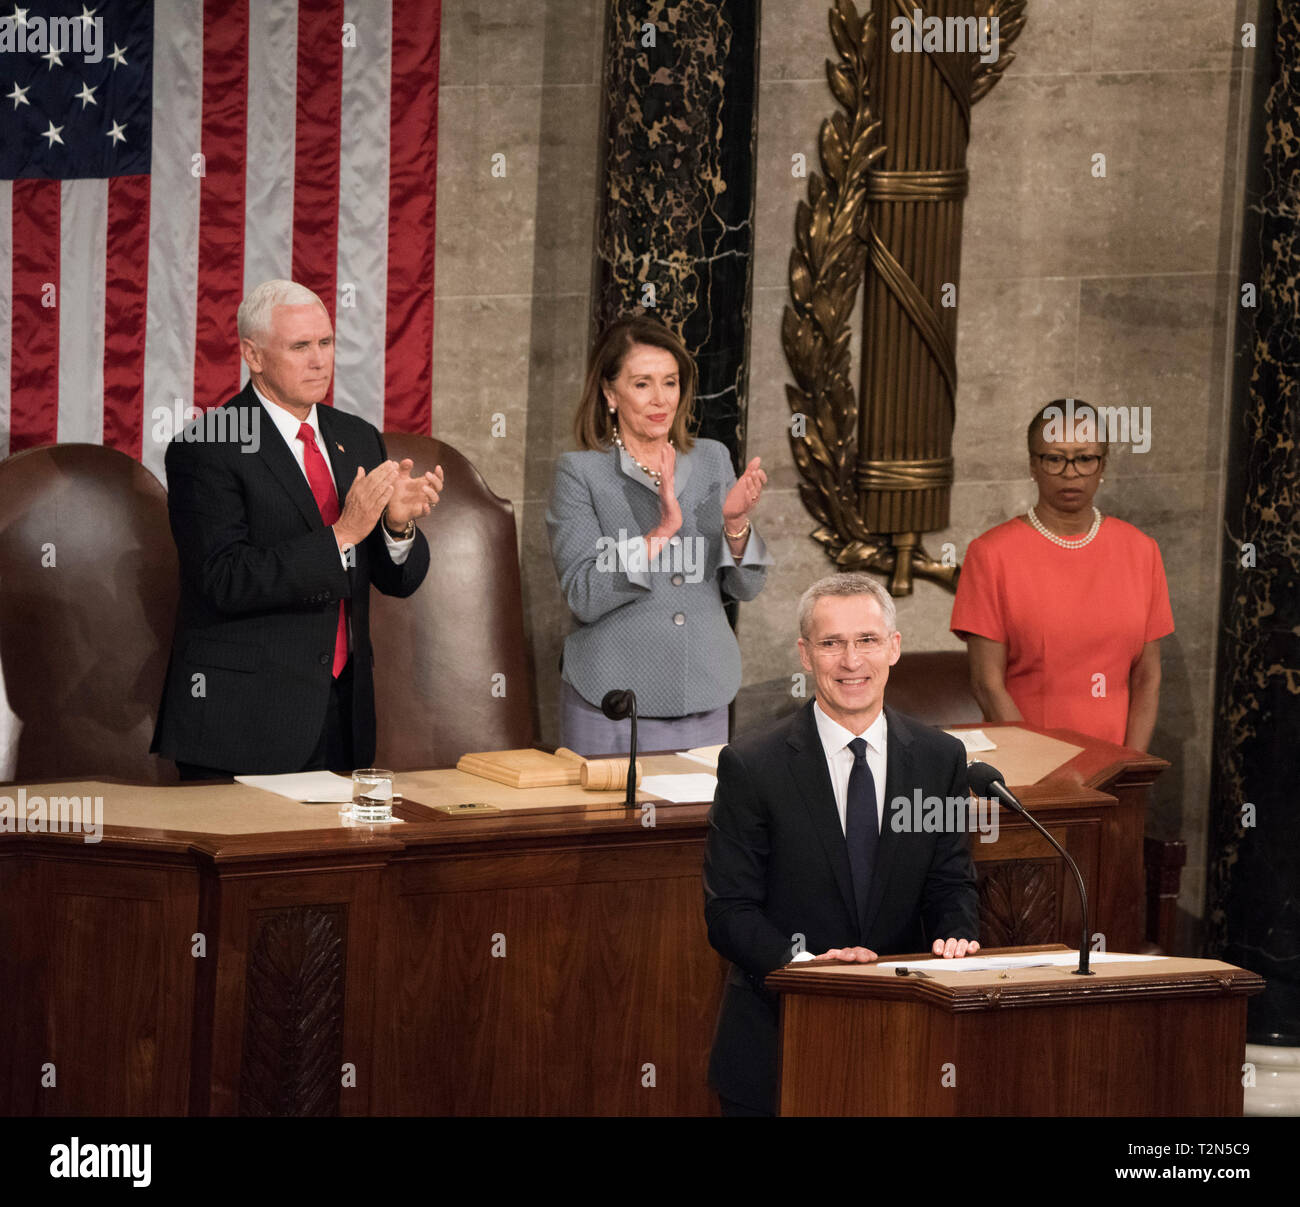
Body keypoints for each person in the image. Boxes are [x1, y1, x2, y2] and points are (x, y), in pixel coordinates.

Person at [703, 573, 980, 1116]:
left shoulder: (939, 758)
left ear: (893, 648)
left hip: (904, 1039)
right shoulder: (752, 766)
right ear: (806, 655)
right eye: (832, 643)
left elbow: (951, 880)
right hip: (778, 1042)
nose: (851, 662)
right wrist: (803, 964)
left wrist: (956, 934)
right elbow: (728, 911)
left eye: (867, 641)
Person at [152, 279, 441, 778]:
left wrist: (396, 528)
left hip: (341, 716)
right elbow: (223, 578)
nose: (319, 360)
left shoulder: (357, 437)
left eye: (326, 343)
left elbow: (397, 581)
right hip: (243, 722)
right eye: (300, 346)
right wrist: (342, 535)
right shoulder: (207, 445)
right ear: (253, 355)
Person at [546, 314, 772, 755]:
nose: (660, 399)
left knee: (696, 824)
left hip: (704, 693)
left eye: (670, 383)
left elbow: (748, 586)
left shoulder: (712, 459)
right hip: (611, 701)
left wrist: (736, 526)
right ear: (610, 393)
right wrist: (661, 532)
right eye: (642, 383)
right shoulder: (580, 473)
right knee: (610, 825)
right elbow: (584, 594)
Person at [950, 400, 1174, 751]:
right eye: (1055, 459)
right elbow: (987, 684)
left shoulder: (1141, 550)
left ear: (1102, 465)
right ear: (1033, 466)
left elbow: (1148, 676)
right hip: (1027, 769)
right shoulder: (991, 554)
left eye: (1085, 459)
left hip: (1118, 767)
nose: (1071, 473)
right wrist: (1039, 764)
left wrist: (1131, 765)